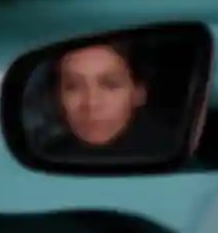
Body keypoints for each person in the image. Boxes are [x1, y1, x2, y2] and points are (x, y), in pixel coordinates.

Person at [41, 39, 178, 160]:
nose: (91, 103)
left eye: (110, 85)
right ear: (57, 95)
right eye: (73, 86)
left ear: (139, 93)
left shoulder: (173, 152)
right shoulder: (47, 157)